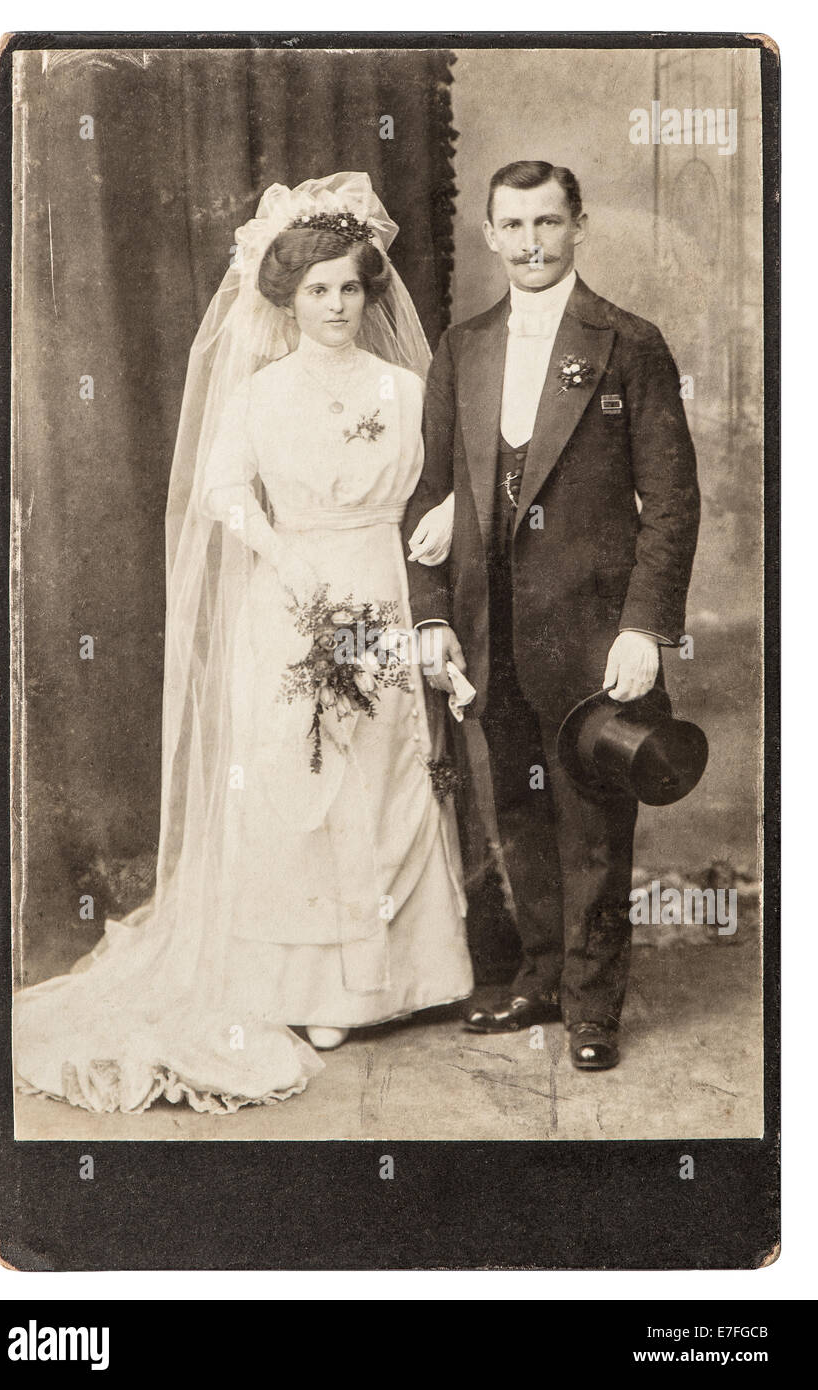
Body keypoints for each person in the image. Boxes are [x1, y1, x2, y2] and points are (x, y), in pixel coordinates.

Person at [14, 172, 472, 1114]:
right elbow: (222, 491)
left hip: (385, 589)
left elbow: (450, 478)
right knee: (305, 778)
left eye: (351, 286)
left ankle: (410, 981)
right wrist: (281, 550)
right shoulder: (261, 393)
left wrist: (455, 509)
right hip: (291, 597)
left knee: (393, 766)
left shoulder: (407, 384)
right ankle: (318, 991)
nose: (338, 305)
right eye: (318, 290)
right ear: (288, 298)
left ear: (369, 290)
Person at [402, 161, 700, 1071]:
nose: (530, 242)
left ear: (580, 225)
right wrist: (431, 619)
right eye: (512, 226)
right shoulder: (463, 346)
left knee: (595, 827)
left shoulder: (629, 342)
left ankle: (594, 1007)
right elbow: (430, 495)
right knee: (521, 818)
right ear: (490, 235)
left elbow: (674, 502)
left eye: (548, 222)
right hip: (490, 633)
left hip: (594, 641)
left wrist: (644, 630)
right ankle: (540, 978)